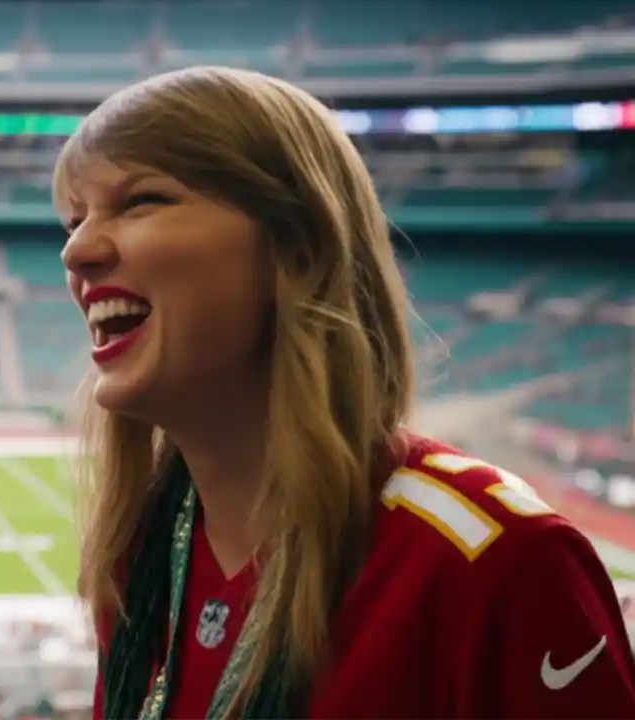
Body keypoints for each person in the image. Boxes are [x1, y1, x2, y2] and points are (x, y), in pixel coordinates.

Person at [57, 66, 635, 718]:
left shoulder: (498, 560)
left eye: (141, 201)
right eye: (73, 221)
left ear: (298, 247)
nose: (75, 252)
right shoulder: (143, 551)